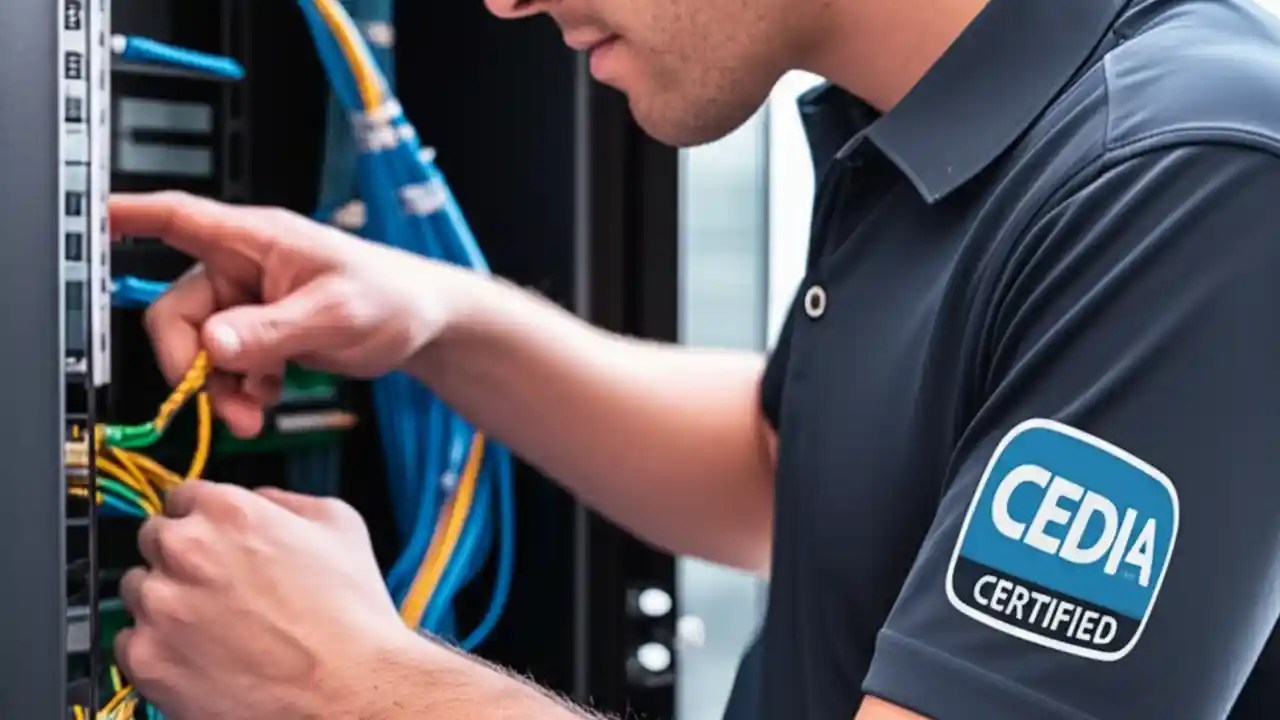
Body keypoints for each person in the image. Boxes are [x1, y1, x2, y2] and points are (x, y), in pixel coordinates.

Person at [107, 0, 1280, 717]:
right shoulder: (934, 129)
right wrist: (438, 319)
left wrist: (346, 686)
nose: (503, 1)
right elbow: (790, 482)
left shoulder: (1192, 177)